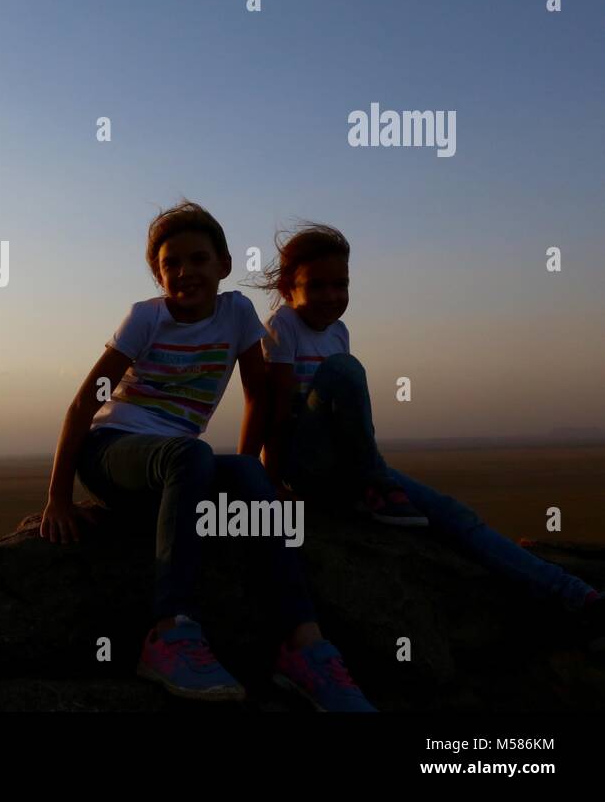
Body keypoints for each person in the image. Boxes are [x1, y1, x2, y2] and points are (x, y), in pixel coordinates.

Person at [39, 201, 375, 710]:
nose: (184, 273)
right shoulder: (145, 319)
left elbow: (261, 396)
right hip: (113, 452)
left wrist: (249, 470)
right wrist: (58, 498)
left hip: (176, 463)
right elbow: (85, 403)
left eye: (197, 259)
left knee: (231, 468)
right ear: (158, 274)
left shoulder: (237, 313)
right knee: (190, 454)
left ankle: (305, 648)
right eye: (170, 264)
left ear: (223, 264)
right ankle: (171, 633)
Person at [252, 222, 603, 633]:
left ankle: (577, 595)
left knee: (455, 515)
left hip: (348, 467)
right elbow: (274, 410)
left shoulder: (339, 331)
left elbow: (348, 420)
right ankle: (378, 485)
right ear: (287, 288)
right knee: (344, 370)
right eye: (317, 286)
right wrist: (270, 483)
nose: (332, 296)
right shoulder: (282, 326)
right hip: (305, 463)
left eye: (341, 284)